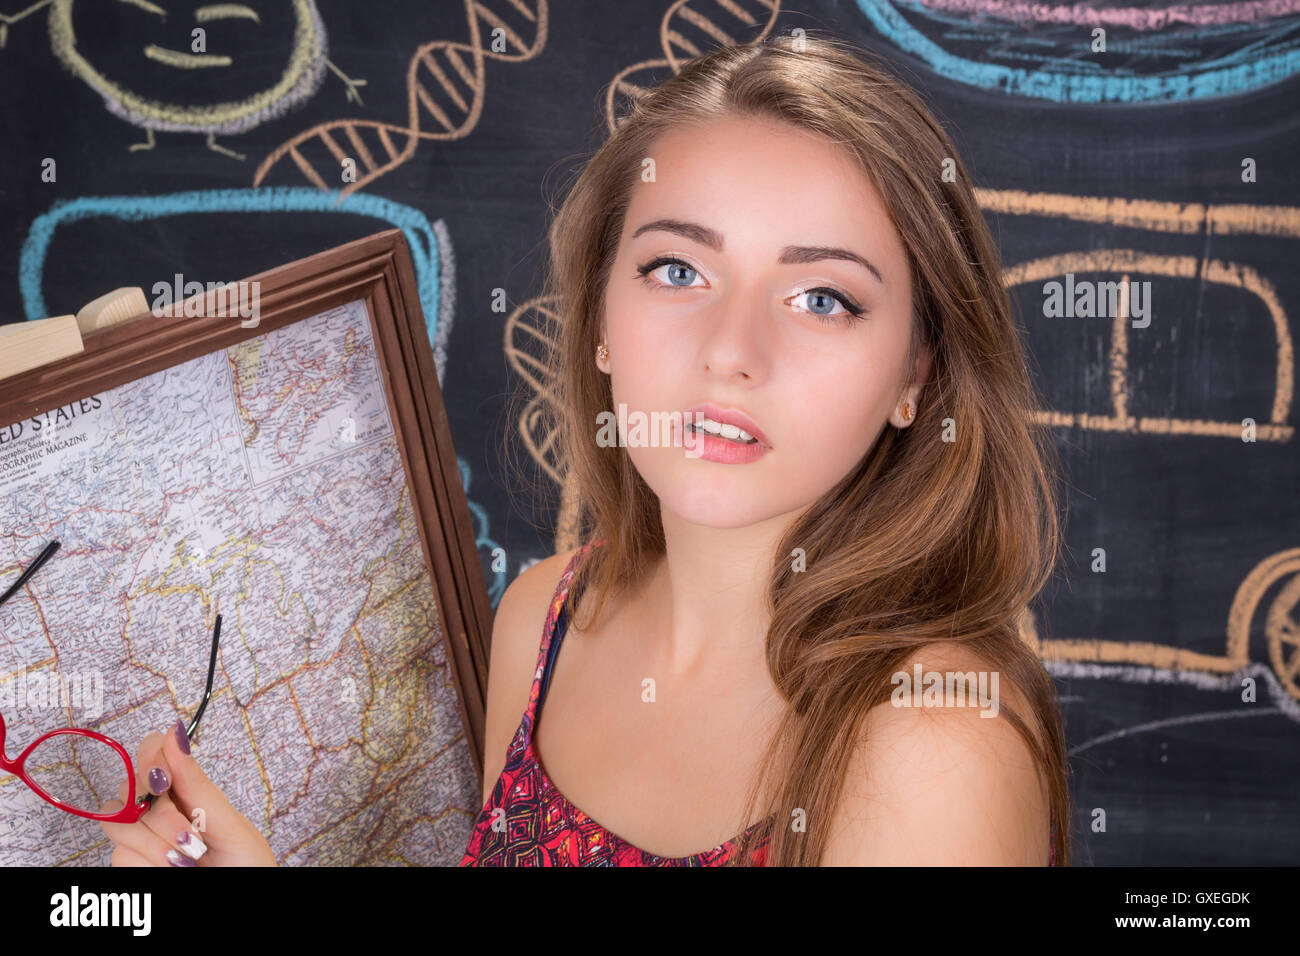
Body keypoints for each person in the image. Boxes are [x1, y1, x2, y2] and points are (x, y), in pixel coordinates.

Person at [102, 30, 1071, 867]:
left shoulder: (934, 739)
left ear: (915, 375)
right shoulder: (540, 626)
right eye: (677, 269)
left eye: (822, 297)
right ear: (602, 315)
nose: (731, 350)